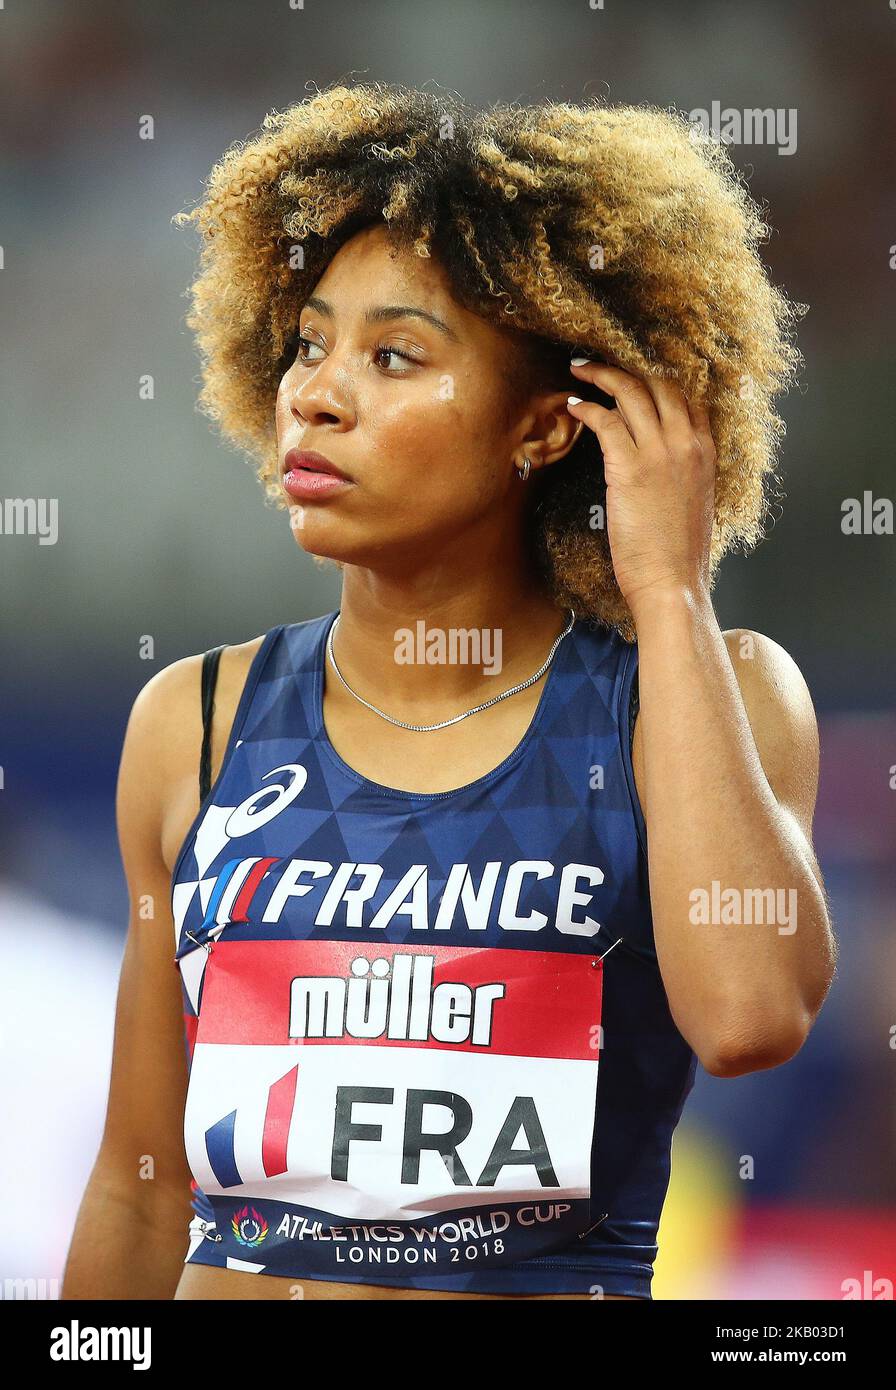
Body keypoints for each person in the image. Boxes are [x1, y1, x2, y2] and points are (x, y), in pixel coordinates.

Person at [63, 82, 836, 1301]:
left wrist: (670, 594)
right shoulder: (195, 721)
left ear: (544, 426)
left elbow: (748, 1018)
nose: (313, 394)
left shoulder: (699, 697)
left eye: (392, 355)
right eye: (309, 343)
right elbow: (143, 1185)